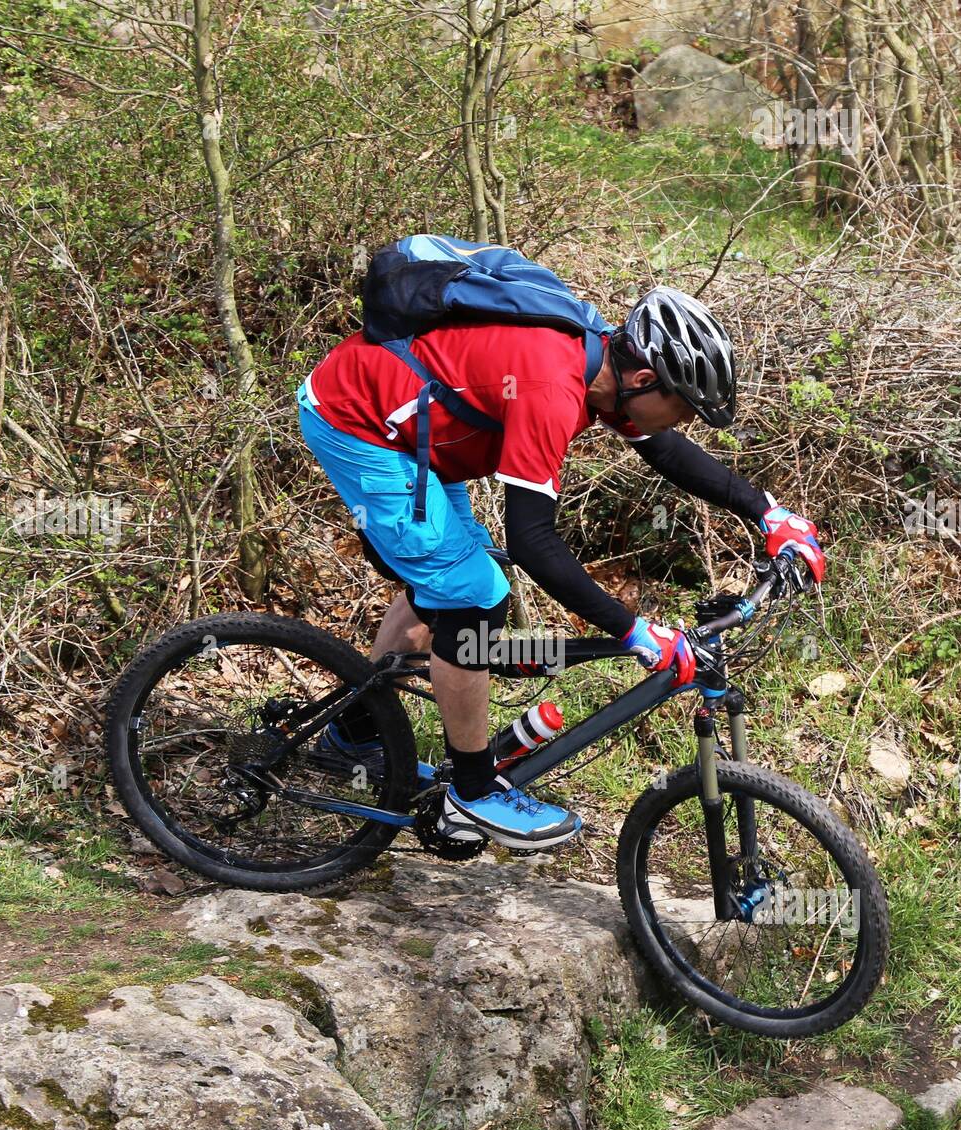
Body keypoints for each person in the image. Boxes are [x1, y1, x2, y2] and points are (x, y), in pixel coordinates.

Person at [296, 283, 825, 851]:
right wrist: (635, 631)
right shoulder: (551, 387)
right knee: (475, 597)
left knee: (449, 578)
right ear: (645, 381)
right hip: (360, 423)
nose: (682, 424)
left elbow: (664, 448)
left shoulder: (600, 365)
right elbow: (532, 541)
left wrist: (769, 514)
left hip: (420, 431)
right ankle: (472, 794)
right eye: (684, 409)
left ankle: (352, 732)